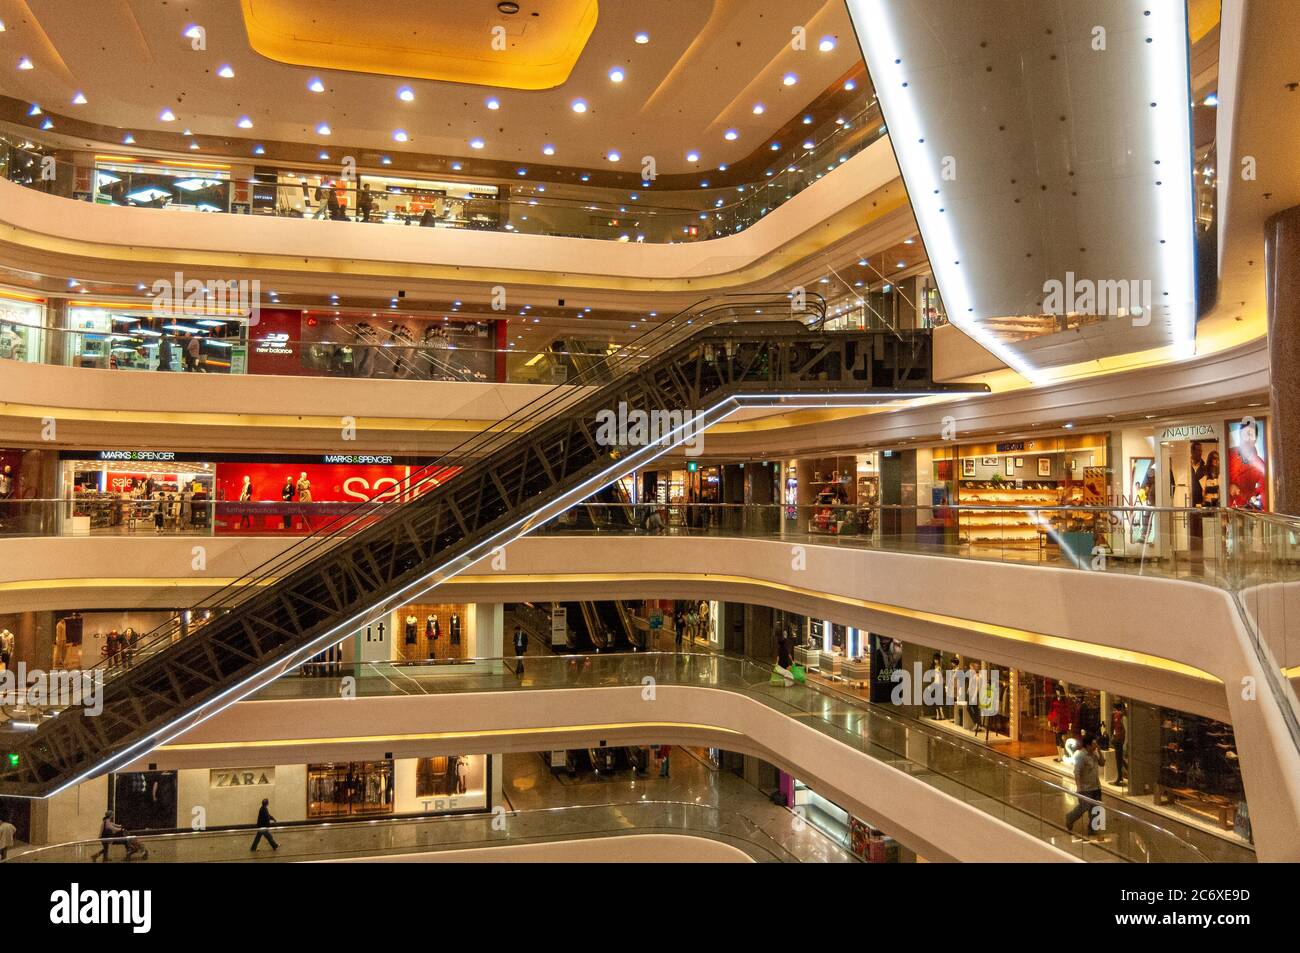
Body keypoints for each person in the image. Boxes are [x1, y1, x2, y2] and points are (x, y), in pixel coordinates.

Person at [1064, 733, 1106, 838]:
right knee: (1084, 807)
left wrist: (1100, 751)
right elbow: (1076, 772)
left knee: (1096, 808)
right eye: (1093, 743)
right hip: (1086, 788)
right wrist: (1079, 788)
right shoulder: (1081, 756)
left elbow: (1102, 763)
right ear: (1088, 745)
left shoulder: (1094, 754)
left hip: (1096, 787)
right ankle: (1070, 817)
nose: (1095, 745)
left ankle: (1092, 829)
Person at [1111, 702, 1128, 786]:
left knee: (1120, 759)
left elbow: (1126, 731)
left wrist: (1125, 743)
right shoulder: (1118, 716)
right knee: (1119, 759)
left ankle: (1122, 775)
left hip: (1121, 741)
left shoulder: (1122, 717)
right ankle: (1120, 776)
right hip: (1118, 741)